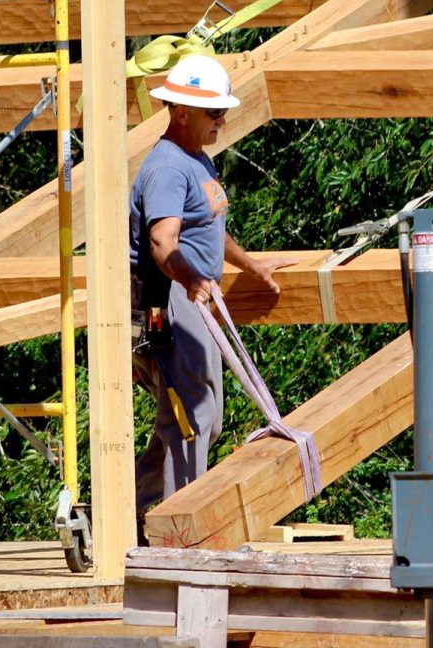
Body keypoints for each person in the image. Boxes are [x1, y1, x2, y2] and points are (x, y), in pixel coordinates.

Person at [129, 54, 293, 524]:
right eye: (213, 112)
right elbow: (163, 243)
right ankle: (181, 528)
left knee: (201, 418)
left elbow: (208, 229)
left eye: (223, 111)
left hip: (187, 294)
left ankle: (132, 512)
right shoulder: (168, 167)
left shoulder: (196, 161)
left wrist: (250, 264)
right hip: (166, 299)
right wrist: (194, 281)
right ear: (181, 112)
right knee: (191, 415)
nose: (223, 120)